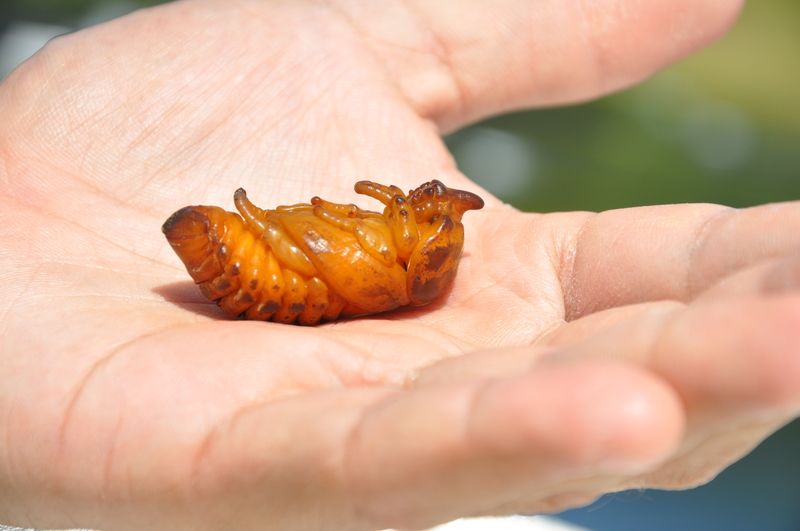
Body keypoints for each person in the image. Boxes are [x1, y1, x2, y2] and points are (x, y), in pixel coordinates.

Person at [1, 1, 797, 530]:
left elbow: (313, 236)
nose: (414, 211)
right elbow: (320, 228)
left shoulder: (378, 263)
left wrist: (271, 222)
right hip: (250, 255)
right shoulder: (377, 247)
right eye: (429, 218)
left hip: (255, 262)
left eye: (428, 221)